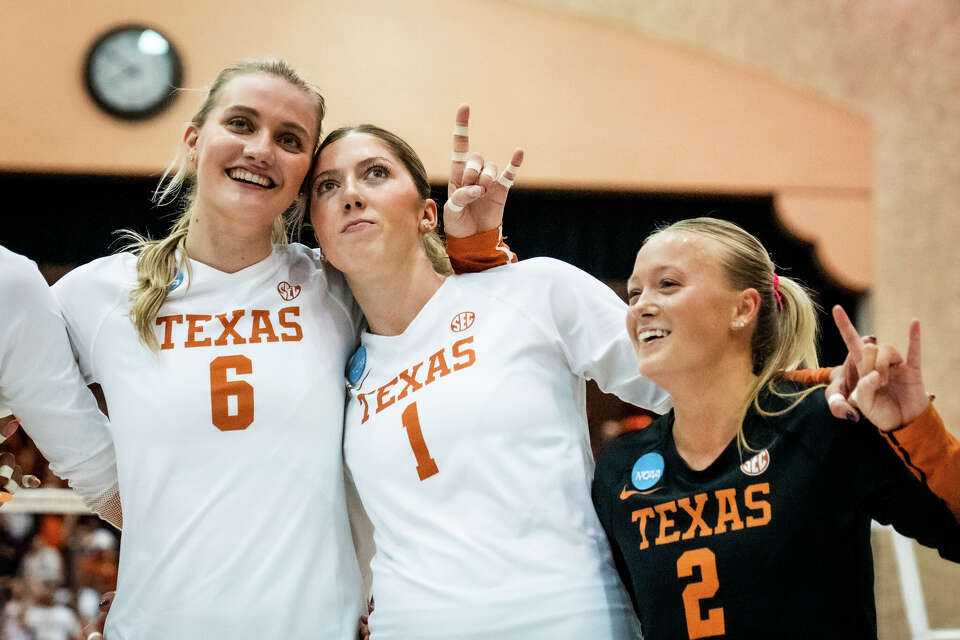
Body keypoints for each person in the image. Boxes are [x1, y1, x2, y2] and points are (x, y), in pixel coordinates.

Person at [28, 59, 510, 639]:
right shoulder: (98, 293)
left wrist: (473, 246)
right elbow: (22, 386)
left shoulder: (337, 286)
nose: (262, 149)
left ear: (305, 172)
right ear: (193, 139)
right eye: (241, 123)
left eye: (289, 140)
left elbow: (460, 335)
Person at [310, 121, 673, 639]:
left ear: (427, 215)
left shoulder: (533, 290)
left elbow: (696, 390)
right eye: (328, 186)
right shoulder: (329, 362)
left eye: (375, 174)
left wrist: (816, 393)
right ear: (319, 240)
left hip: (569, 621)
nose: (350, 195)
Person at [591, 217, 960, 639]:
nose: (640, 305)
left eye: (668, 284)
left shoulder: (826, 423)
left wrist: (915, 427)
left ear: (744, 309)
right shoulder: (621, 468)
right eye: (635, 292)